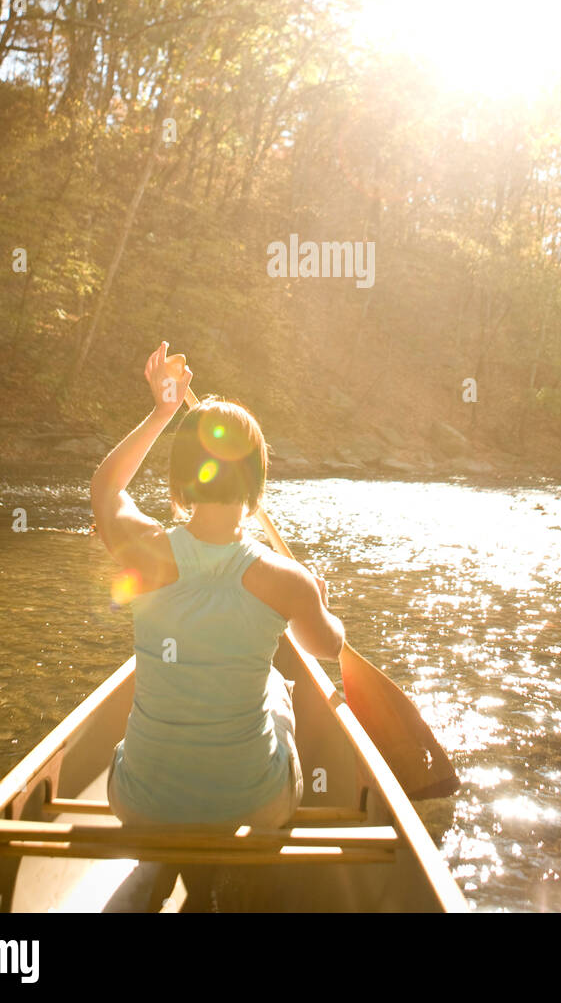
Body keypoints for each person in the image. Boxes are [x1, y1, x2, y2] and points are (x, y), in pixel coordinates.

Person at [90, 342, 344, 828]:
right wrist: (319, 602)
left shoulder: (146, 551)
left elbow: (106, 490)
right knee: (275, 683)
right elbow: (328, 646)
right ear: (255, 481)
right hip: (255, 806)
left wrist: (162, 411)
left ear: (183, 477)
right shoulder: (286, 580)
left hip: (140, 803)